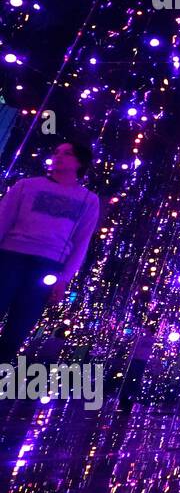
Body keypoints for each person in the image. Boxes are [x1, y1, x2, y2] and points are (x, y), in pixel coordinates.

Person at [0, 141, 100, 364]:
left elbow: (81, 242)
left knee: (20, 325)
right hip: (10, 255)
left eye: (67, 154)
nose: (58, 156)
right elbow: (3, 220)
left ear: (79, 163)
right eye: (56, 152)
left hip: (48, 263)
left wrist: (64, 278)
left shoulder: (88, 200)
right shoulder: (26, 186)